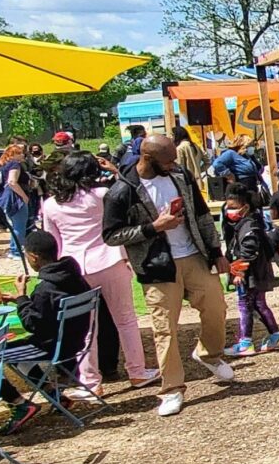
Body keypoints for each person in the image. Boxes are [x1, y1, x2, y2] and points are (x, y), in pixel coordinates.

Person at [102, 134, 240, 419]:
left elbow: (201, 215)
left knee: (216, 307)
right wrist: (153, 227)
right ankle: (172, 388)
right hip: (156, 264)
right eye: (168, 160)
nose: (174, 163)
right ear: (148, 158)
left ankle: (209, 353)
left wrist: (216, 251)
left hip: (192, 254)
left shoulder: (180, 175)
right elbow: (111, 235)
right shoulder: (121, 190)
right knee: (165, 328)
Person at [40, 150, 151, 392]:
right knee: (126, 319)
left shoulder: (50, 204)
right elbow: (131, 196)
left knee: (86, 327)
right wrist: (115, 170)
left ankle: (91, 381)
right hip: (110, 260)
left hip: (75, 266)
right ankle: (138, 371)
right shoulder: (102, 195)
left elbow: (53, 241)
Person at [10, 228, 100, 396]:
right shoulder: (75, 277)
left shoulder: (45, 289)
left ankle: (19, 403)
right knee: (12, 351)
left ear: (34, 257)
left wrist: (22, 298)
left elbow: (32, 324)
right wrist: (22, 300)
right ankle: (54, 395)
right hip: (75, 342)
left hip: (51, 347)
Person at [222, 197, 279, 354]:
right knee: (259, 304)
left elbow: (249, 252)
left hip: (250, 274)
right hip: (257, 272)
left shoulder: (249, 227)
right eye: (227, 207)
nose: (229, 211)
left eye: (233, 207)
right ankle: (276, 336)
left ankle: (245, 342)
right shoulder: (249, 224)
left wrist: (240, 272)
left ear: (245, 207)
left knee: (245, 305)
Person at [0, 140, 41, 263]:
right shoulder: (15, 164)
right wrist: (24, 196)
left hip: (6, 197)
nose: (23, 155)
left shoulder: (4, 165)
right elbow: (12, 182)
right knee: (19, 225)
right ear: (13, 154)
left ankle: (14, 250)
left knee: (16, 225)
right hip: (16, 198)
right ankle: (16, 251)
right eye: (19, 153)